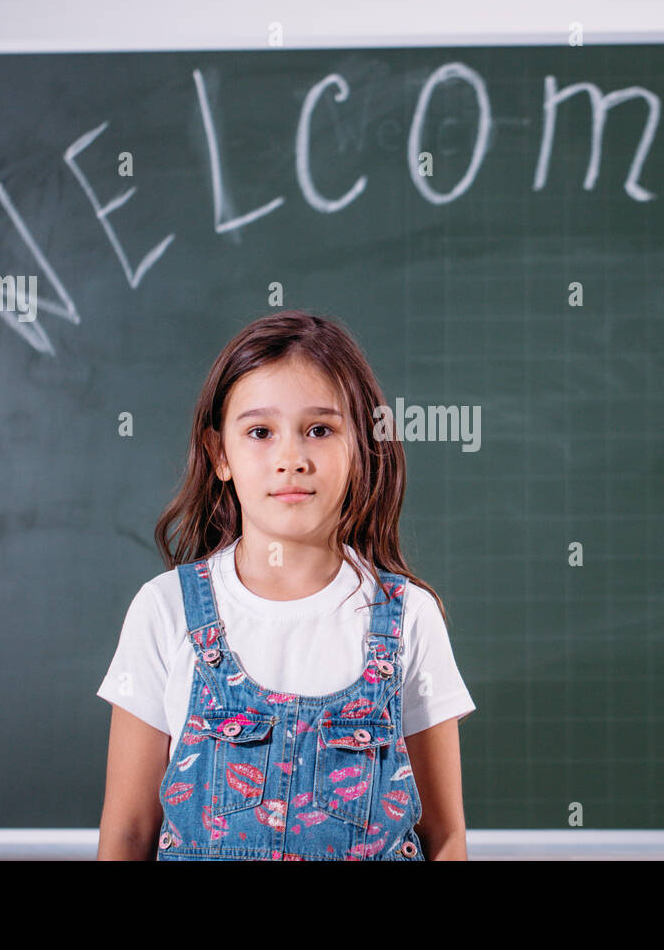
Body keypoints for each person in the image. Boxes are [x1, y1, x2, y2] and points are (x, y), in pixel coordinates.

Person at [95, 310, 475, 860]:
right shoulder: (165, 610)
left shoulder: (408, 616)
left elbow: (445, 838)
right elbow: (128, 833)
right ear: (219, 454)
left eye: (320, 430)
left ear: (361, 448)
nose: (291, 459)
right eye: (260, 433)